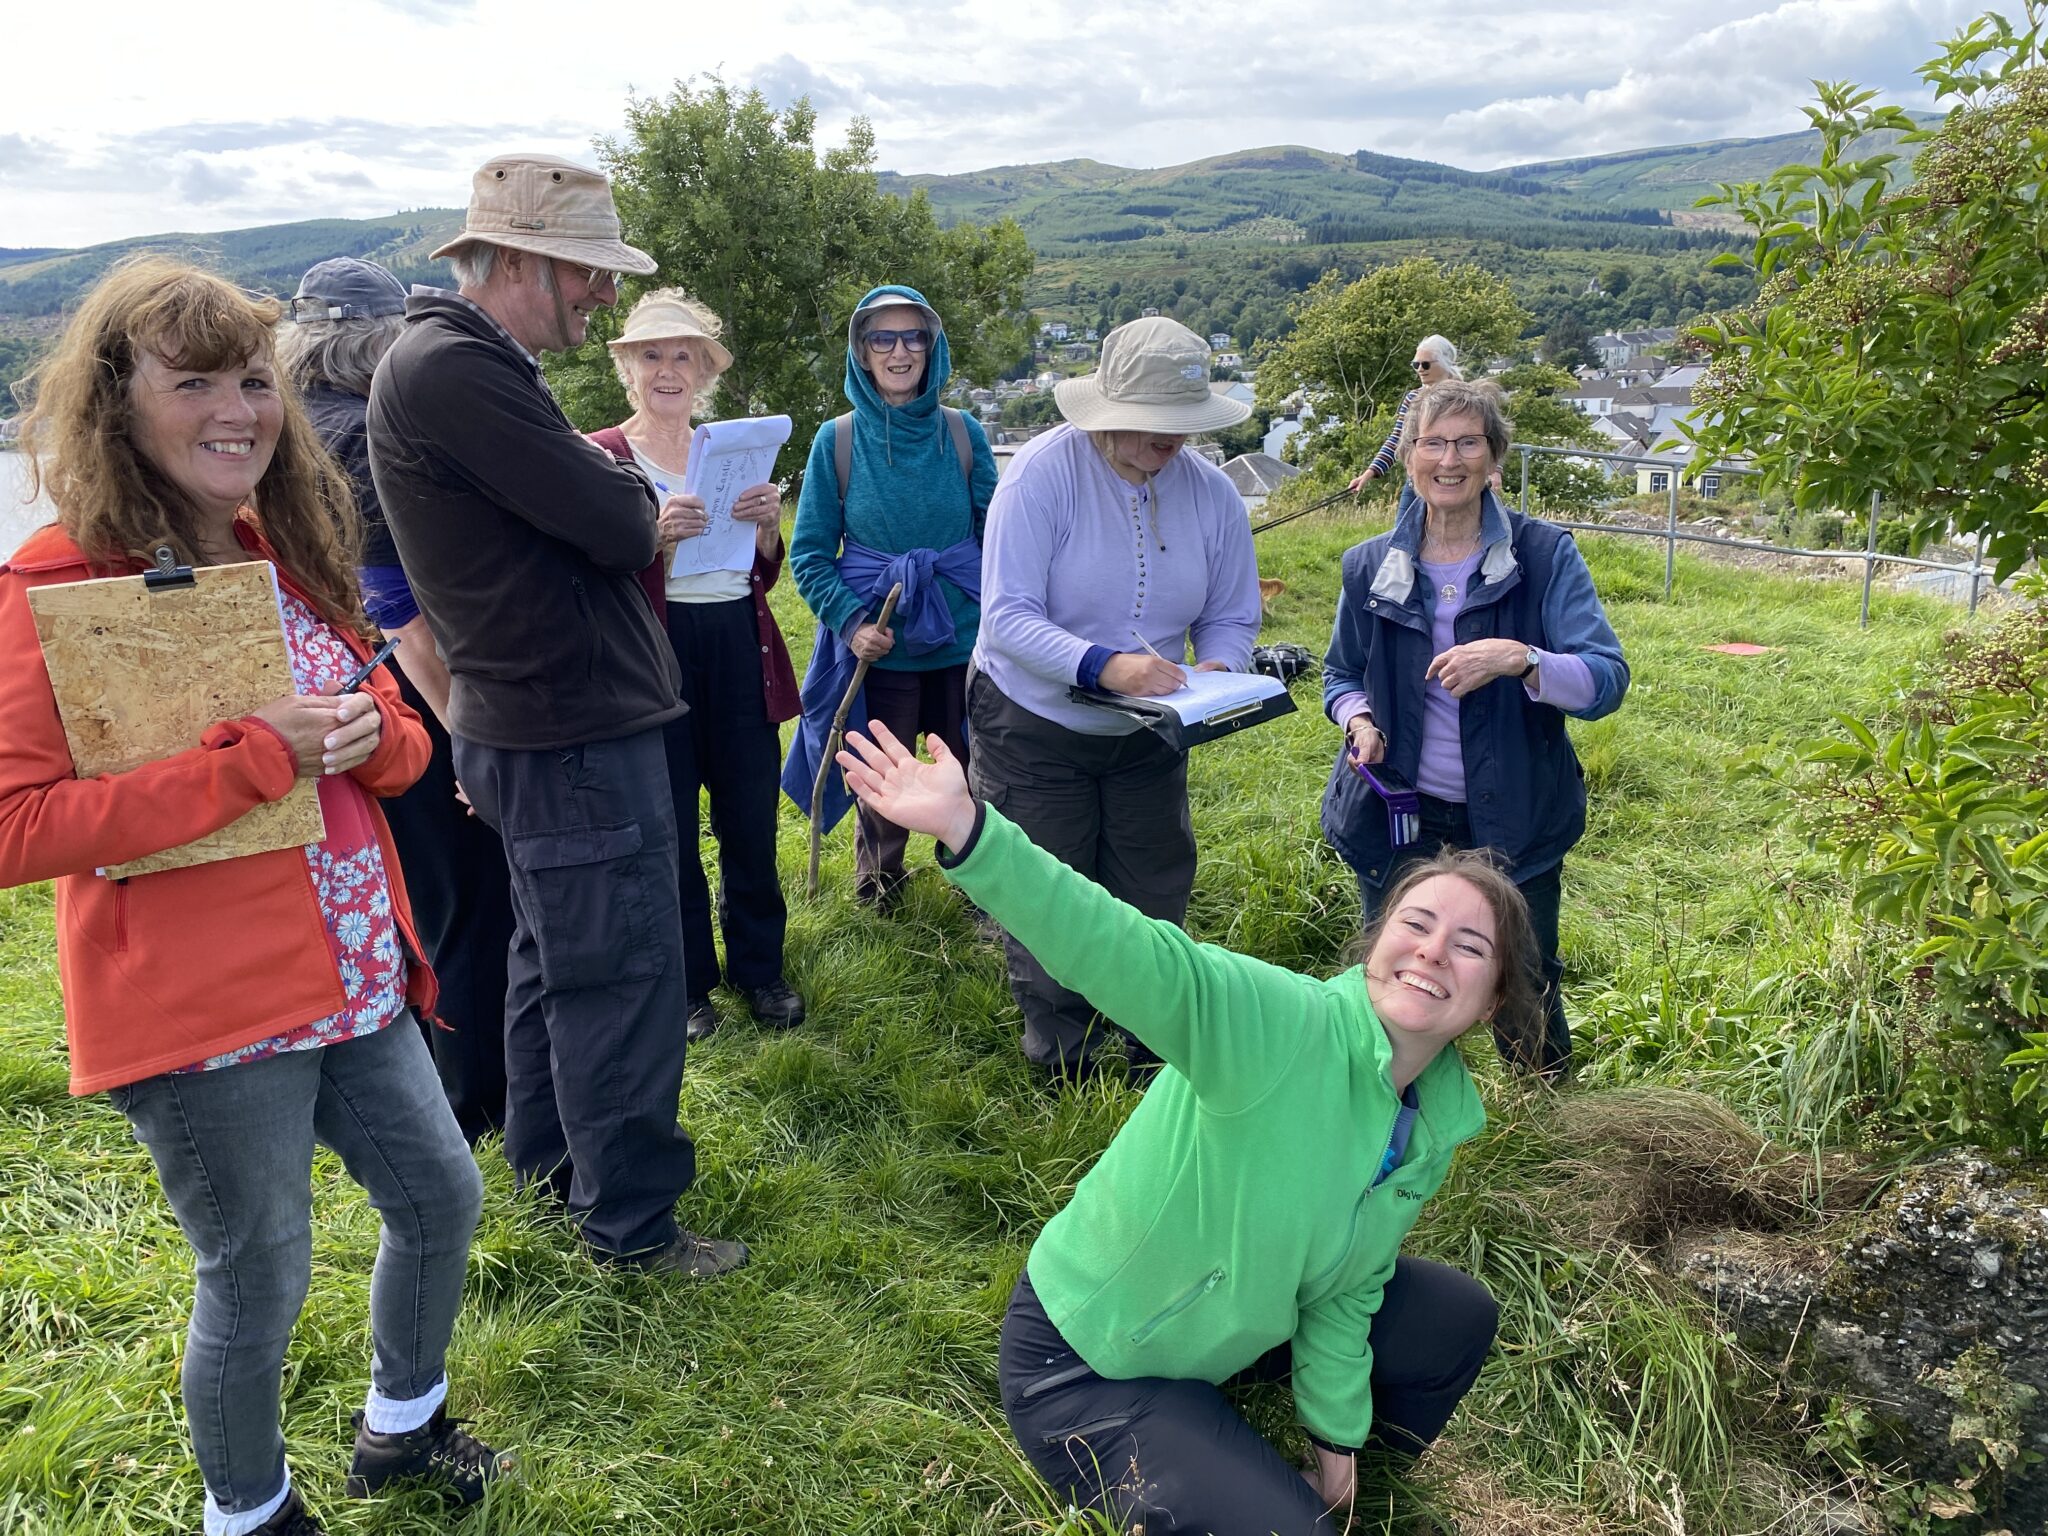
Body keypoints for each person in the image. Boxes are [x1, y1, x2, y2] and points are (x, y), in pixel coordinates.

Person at [0, 258, 509, 1536]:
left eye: (249, 379)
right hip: (206, 1003)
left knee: (441, 1196)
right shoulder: (56, 586)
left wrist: (370, 743)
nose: (238, 410)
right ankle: (252, 1512)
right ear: (118, 402)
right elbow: (17, 827)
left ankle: (401, 1427)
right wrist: (260, 758)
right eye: (194, 383)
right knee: (259, 1272)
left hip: (348, 966)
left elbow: (385, 724)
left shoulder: (275, 546)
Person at [835, 721, 1538, 1536]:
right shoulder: (1275, 1023)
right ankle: (1241, 1483)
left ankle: (1307, 1478)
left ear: (1489, 1002)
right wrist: (969, 832)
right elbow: (1115, 947)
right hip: (1090, 1363)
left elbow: (1346, 1289)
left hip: (1232, 1329)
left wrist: (1337, 1453)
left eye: (1469, 945)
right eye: (1415, 924)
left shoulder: (1431, 1118)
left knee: (1455, 1320)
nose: (1432, 952)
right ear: (1376, 944)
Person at [367, 154, 744, 1277]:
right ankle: (629, 1223)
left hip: (537, 715)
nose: (604, 297)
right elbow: (620, 519)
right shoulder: (454, 368)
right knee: (622, 970)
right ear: (524, 258)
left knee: (555, 961)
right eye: (588, 272)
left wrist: (613, 496)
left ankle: (550, 1174)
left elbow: (597, 504)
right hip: (567, 722)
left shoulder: (465, 362)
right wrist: (627, 497)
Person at [969, 315, 1261, 1083]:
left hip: (1150, 729)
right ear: (1108, 411)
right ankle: (1066, 1056)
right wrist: (1103, 666)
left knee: (1150, 879)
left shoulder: (1213, 495)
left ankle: (1148, 1042)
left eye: (1183, 426)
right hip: (1033, 719)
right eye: (1154, 424)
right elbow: (1004, 619)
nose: (1172, 441)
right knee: (1050, 886)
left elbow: (1230, 610)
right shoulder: (1039, 476)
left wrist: (1220, 671)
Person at [1322, 378, 1629, 1078]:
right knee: (1399, 969)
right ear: (1408, 459)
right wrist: (1358, 718)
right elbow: (1340, 674)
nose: (1449, 460)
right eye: (1432, 443)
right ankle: (1390, 1109)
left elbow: (1606, 681)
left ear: (1495, 460)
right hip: (1398, 814)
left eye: (1468, 443)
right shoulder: (1370, 565)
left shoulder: (1544, 556)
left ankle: (1538, 1111)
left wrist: (1521, 659)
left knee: (1522, 969)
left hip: (1515, 814)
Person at [278, 256, 515, 1141]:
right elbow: (404, 614)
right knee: (465, 900)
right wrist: (470, 734)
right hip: (404, 700)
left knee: (402, 897)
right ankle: (474, 1105)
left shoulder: (284, 424)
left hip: (316, 708)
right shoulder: (365, 434)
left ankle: (415, 1082)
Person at [586, 288, 803, 1042]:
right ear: (628, 367)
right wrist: (656, 542)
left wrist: (769, 530)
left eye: (685, 356)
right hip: (655, 654)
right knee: (668, 825)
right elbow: (591, 579)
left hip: (739, 645)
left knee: (750, 815)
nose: (669, 369)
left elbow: (760, 575)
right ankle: (686, 985)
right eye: (652, 355)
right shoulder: (601, 456)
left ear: (704, 370)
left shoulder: (730, 450)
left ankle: (760, 969)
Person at [783, 283, 998, 910]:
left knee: (970, 771)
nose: (899, 351)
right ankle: (880, 885)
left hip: (964, 641)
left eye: (913, 337)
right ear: (863, 350)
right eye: (884, 338)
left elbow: (1000, 538)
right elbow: (811, 552)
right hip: (883, 649)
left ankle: (979, 885)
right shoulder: (838, 441)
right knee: (883, 774)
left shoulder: (964, 435)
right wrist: (851, 625)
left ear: (933, 349)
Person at [1348, 334, 1464, 494]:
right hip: (1418, 478)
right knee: (1405, 520)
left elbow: (1488, 436)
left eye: (1426, 364)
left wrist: (1494, 472)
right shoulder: (1413, 398)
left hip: (1458, 478)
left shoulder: (1465, 398)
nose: (1420, 370)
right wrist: (1368, 474)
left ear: (1445, 364)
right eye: (1416, 364)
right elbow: (1397, 439)